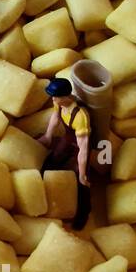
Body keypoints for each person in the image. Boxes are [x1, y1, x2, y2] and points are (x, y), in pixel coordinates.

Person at [37, 76, 98, 230]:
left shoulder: (80, 116)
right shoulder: (58, 103)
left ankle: (83, 212)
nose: (53, 99)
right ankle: (45, 191)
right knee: (52, 161)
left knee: (82, 181)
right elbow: (55, 118)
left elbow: (83, 148)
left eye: (55, 96)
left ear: (64, 97)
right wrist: (48, 136)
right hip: (68, 137)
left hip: (82, 144)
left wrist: (82, 173)